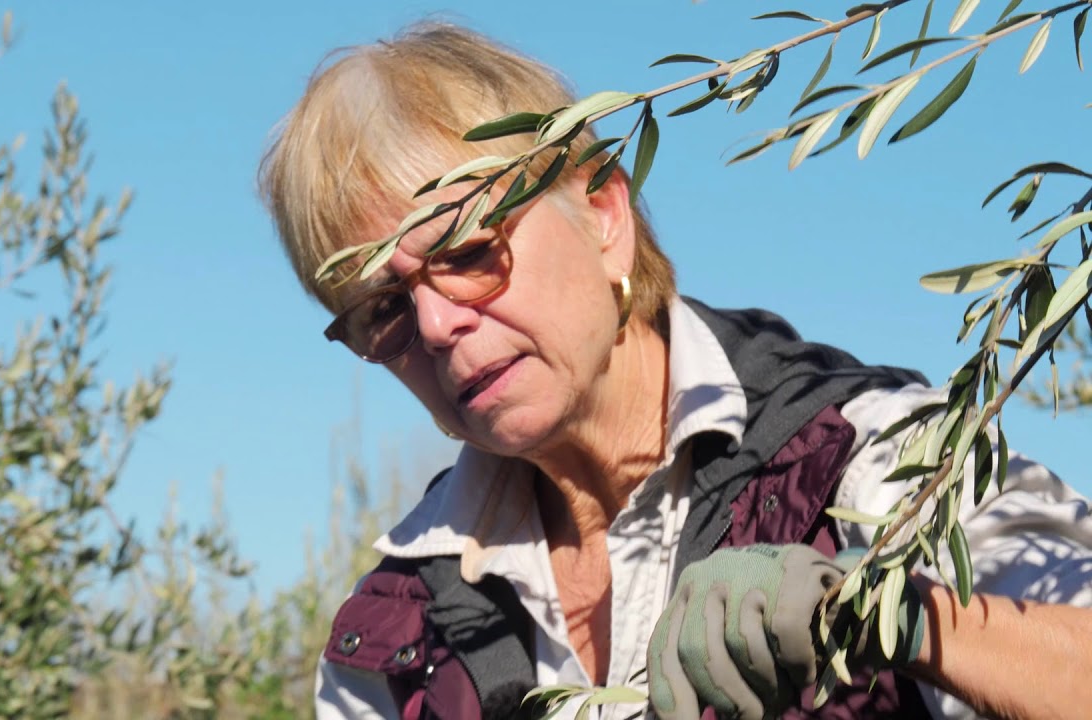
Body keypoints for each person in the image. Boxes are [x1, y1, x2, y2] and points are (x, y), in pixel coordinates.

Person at [258, 21, 1092, 720]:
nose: (438, 326)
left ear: (602, 215)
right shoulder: (394, 636)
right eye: (384, 310)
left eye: (470, 252)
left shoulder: (868, 455)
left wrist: (893, 615)